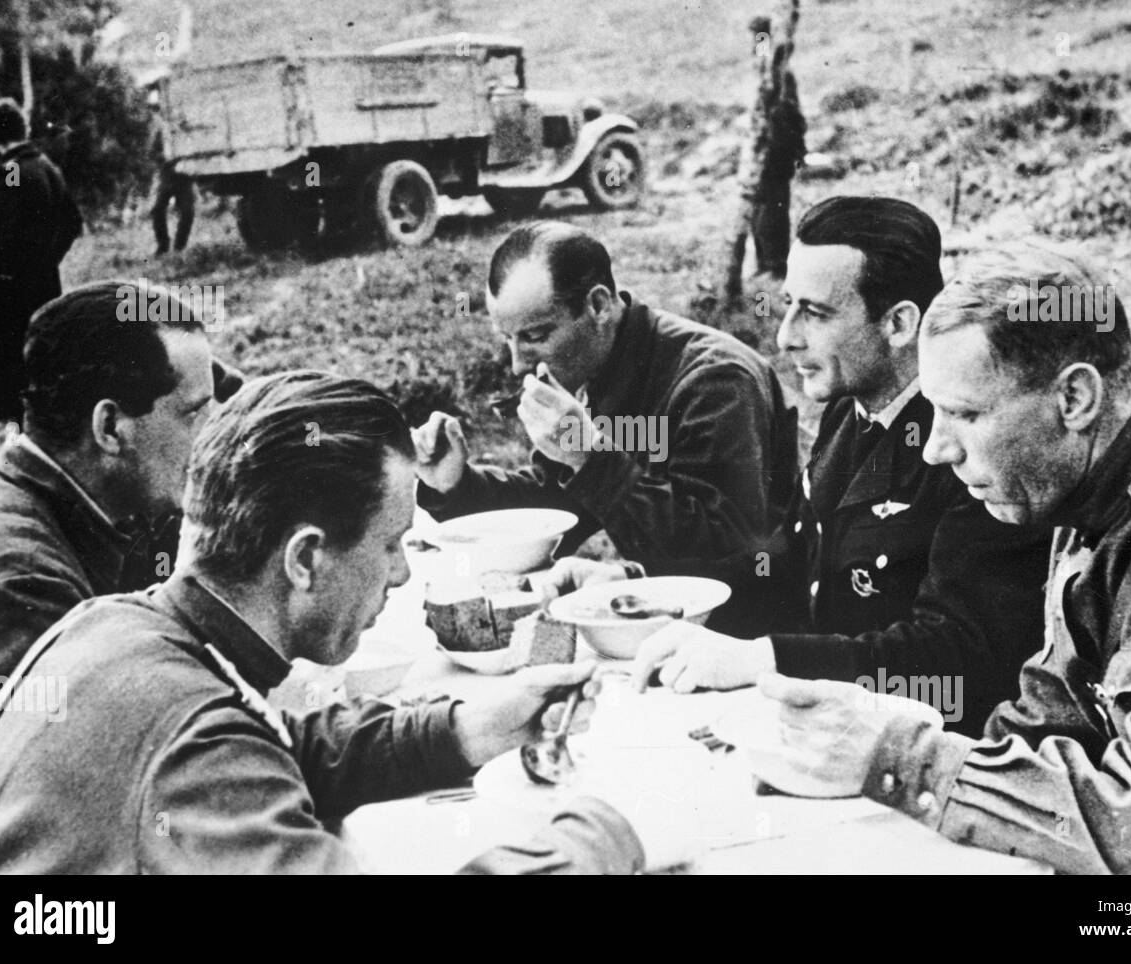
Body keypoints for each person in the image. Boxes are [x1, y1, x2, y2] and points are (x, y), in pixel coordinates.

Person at [0, 370, 667, 874]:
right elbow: (225, 755)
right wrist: (603, 832)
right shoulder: (199, 747)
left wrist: (464, 728)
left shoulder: (120, 625)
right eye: (391, 545)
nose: (400, 574)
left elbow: (276, 740)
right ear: (303, 558)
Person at [763, 242, 1131, 874]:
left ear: (1075, 399)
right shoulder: (1085, 489)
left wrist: (899, 757)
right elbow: (1047, 721)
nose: (936, 450)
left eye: (965, 414)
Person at [629, 197, 1050, 737]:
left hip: (926, 756)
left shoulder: (968, 443)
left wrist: (767, 660)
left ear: (899, 324)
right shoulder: (850, 412)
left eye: (817, 312)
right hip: (827, 729)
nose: (785, 336)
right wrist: (649, 590)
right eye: (787, 305)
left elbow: (957, 656)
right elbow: (784, 561)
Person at [412, 221, 797, 635]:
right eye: (508, 339)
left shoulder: (716, 382)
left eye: (536, 336)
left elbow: (722, 550)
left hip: (751, 637)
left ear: (597, 306)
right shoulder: (605, 366)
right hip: (666, 624)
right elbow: (553, 501)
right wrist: (458, 485)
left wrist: (591, 457)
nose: (518, 364)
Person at [0, 281, 240, 748]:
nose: (211, 440)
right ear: (110, 427)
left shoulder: (83, 492)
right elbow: (101, 760)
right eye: (193, 416)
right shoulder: (21, 582)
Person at [0, 98, 83, 427]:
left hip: (10, 287)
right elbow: (72, 223)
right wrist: (48, 259)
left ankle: (12, 418)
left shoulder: (11, 171)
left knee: (9, 354)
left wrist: (1, 273)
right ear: (23, 129)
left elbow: (2, 223)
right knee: (42, 349)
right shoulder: (49, 168)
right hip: (44, 281)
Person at [748, 15, 806, 278]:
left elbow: (792, 114)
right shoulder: (765, 68)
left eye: (759, 36)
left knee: (773, 209)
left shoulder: (779, 74)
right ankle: (765, 262)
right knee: (761, 209)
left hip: (777, 149)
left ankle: (774, 264)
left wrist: (796, 149)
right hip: (766, 149)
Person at [148, 91, 195, 256]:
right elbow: (152, 151)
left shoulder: (186, 127)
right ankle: (163, 245)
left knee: (187, 210)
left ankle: (180, 246)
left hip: (184, 173)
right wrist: (165, 158)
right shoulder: (161, 128)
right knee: (157, 209)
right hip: (166, 173)